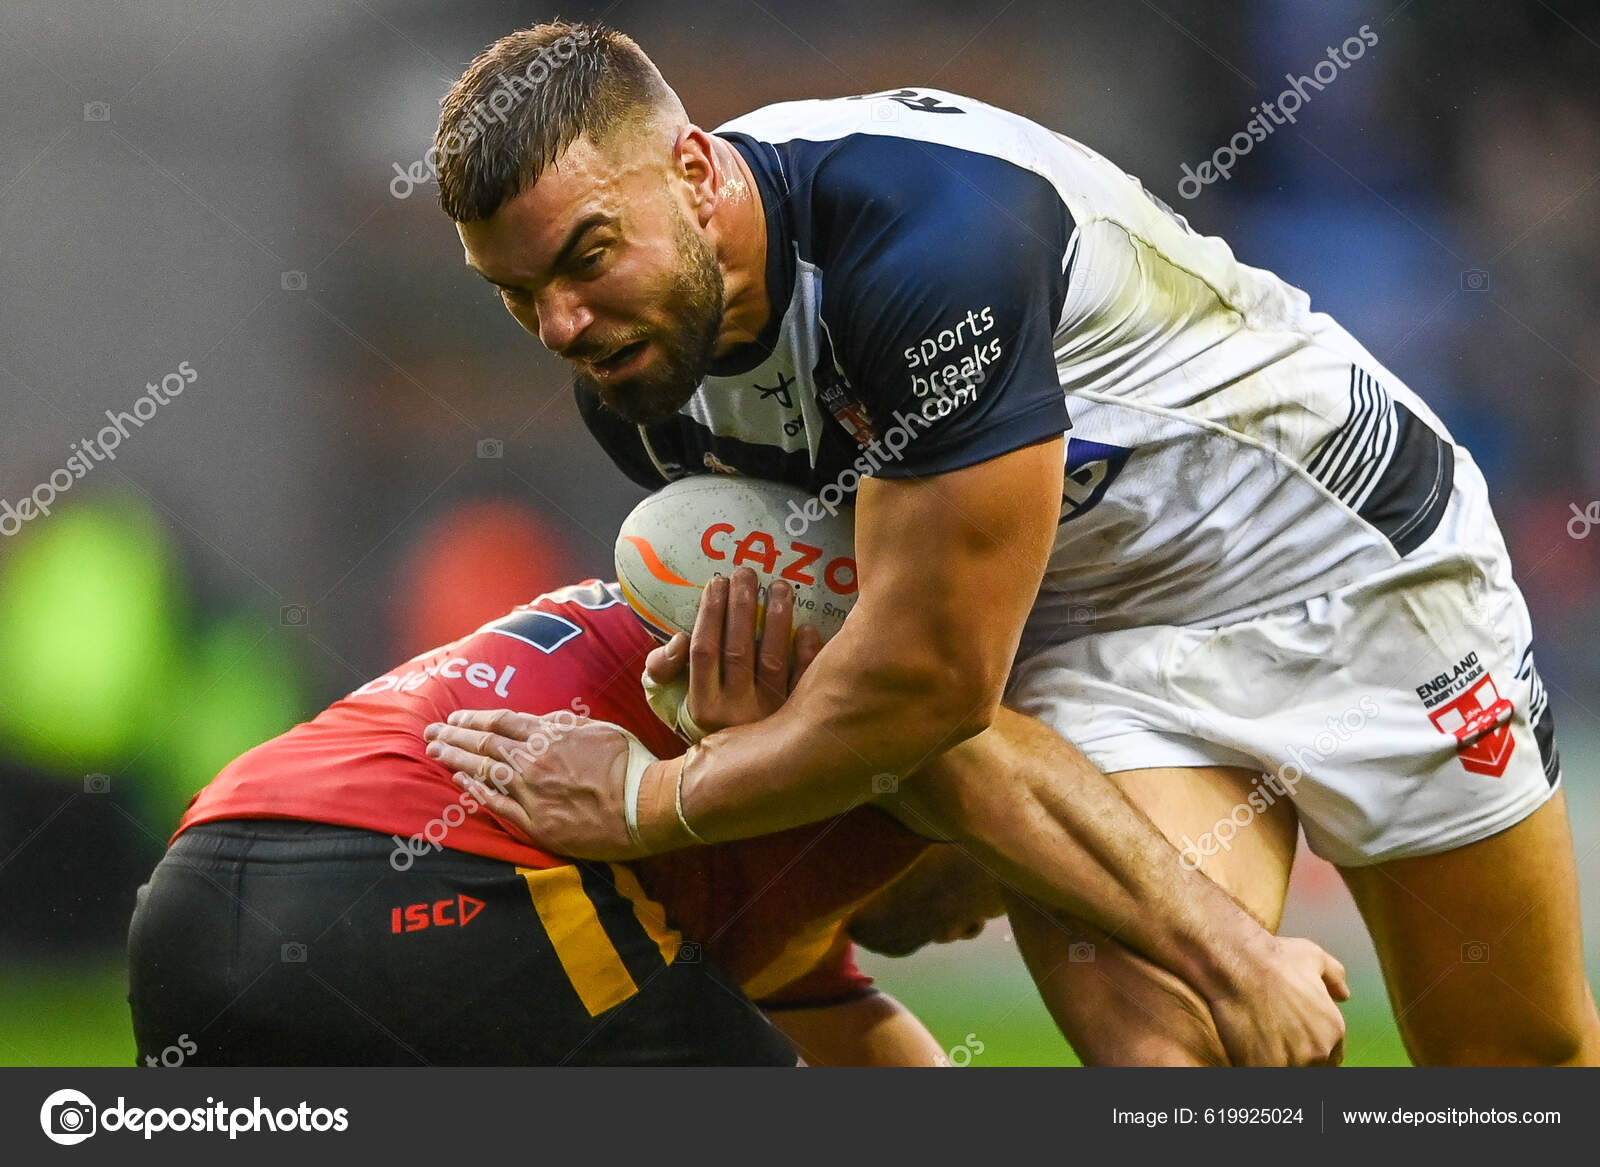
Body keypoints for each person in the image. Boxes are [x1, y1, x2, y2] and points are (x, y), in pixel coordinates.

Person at [428, 21, 1600, 1068]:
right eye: (514, 293)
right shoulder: (645, 377)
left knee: (1511, 1069)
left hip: (1345, 559)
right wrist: (766, 739)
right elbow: (908, 759)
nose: (563, 327)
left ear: (693, 172)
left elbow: (925, 690)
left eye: (587, 257)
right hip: (1090, 638)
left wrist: (656, 797)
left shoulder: (923, 247)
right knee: (1166, 1054)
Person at [128, 576, 993, 1067]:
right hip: (422, 869)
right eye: (1008, 885)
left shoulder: (792, 898)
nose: (989, 919)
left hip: (192, 891)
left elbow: (872, 1045)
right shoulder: (893, 745)